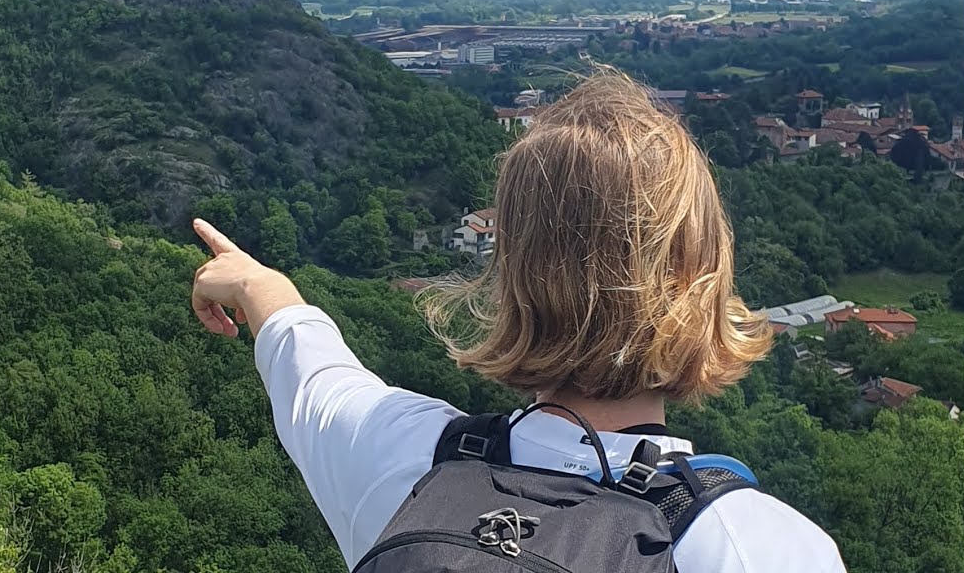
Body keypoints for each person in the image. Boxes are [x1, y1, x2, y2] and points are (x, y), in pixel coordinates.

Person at [190, 70, 846, 572]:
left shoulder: (409, 464)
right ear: (699, 274)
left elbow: (311, 370)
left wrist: (256, 283)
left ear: (512, 275)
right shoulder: (750, 546)